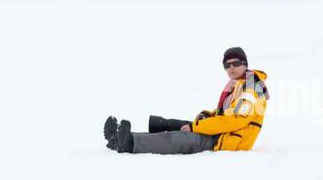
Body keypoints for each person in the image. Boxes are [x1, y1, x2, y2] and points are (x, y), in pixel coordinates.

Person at [105, 47, 268, 154]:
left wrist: (195, 126)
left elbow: (234, 121)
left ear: (245, 64)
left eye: (236, 63)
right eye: (227, 65)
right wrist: (208, 114)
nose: (231, 68)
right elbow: (227, 114)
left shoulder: (253, 89)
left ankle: (130, 142)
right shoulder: (240, 84)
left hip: (228, 141)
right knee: (172, 124)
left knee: (180, 138)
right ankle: (122, 137)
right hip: (225, 134)